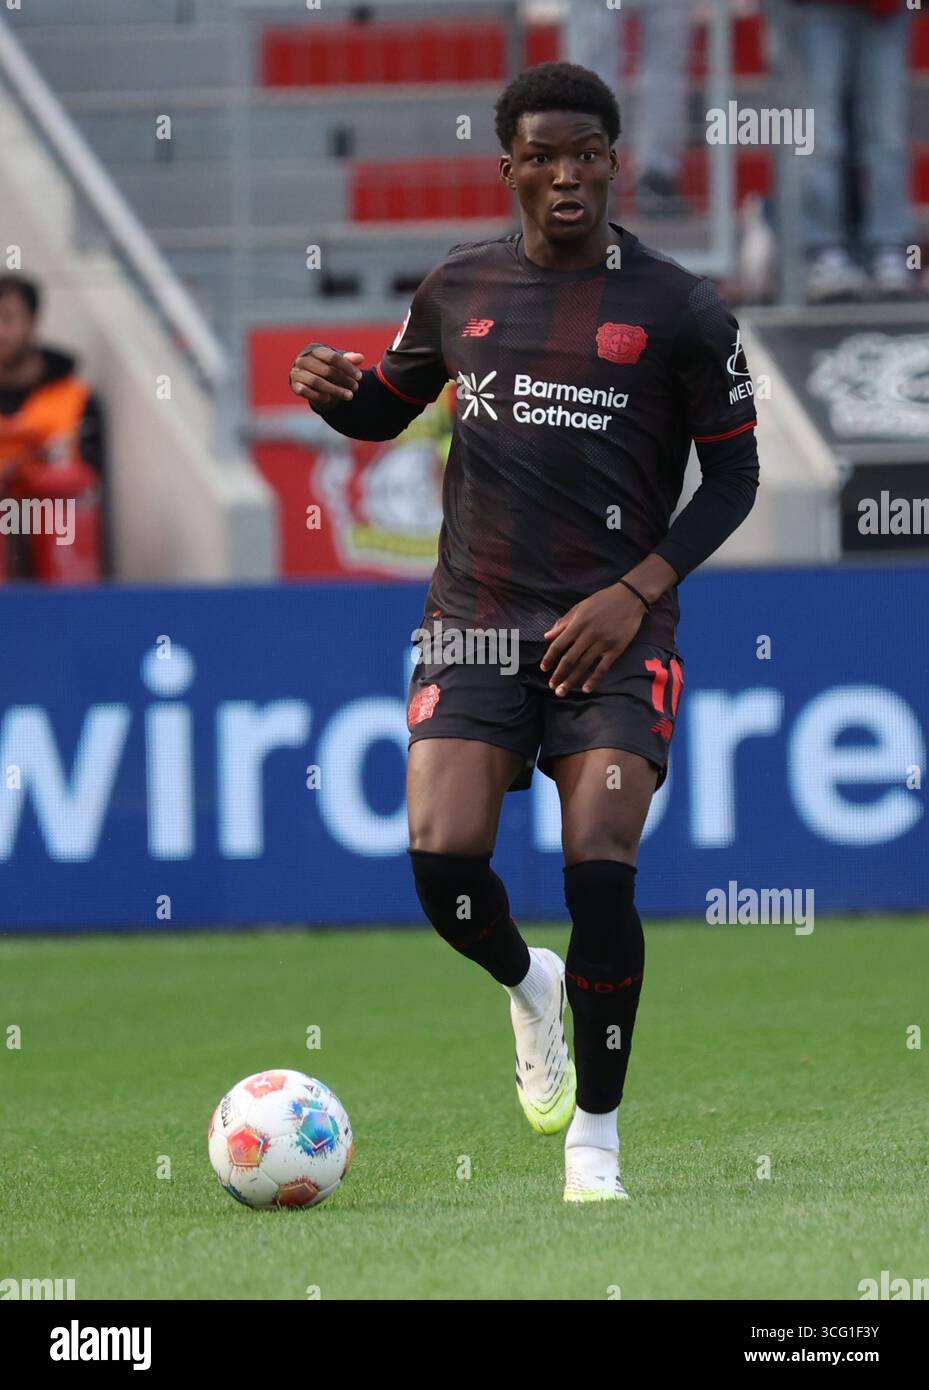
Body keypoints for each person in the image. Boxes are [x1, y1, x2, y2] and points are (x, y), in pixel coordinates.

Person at [290, 62, 759, 1203]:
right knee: (441, 863)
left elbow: (734, 479)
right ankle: (527, 981)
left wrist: (636, 590)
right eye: (541, 155)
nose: (564, 174)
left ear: (612, 162)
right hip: (474, 621)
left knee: (599, 870)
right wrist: (337, 392)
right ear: (508, 166)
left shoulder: (680, 307)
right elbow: (387, 406)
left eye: (585, 153)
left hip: (614, 630)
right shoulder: (459, 286)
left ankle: (593, 1137)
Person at [788, 0, 915, 302]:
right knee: (821, 133)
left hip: (887, 8)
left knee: (888, 132)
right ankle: (823, 249)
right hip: (820, 9)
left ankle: (889, 246)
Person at [0, 274, 107, 580]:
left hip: (55, 525)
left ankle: (67, 615)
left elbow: (91, 476)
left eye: (8, 319)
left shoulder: (75, 399)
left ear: (33, 322)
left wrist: (36, 474)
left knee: (64, 504)